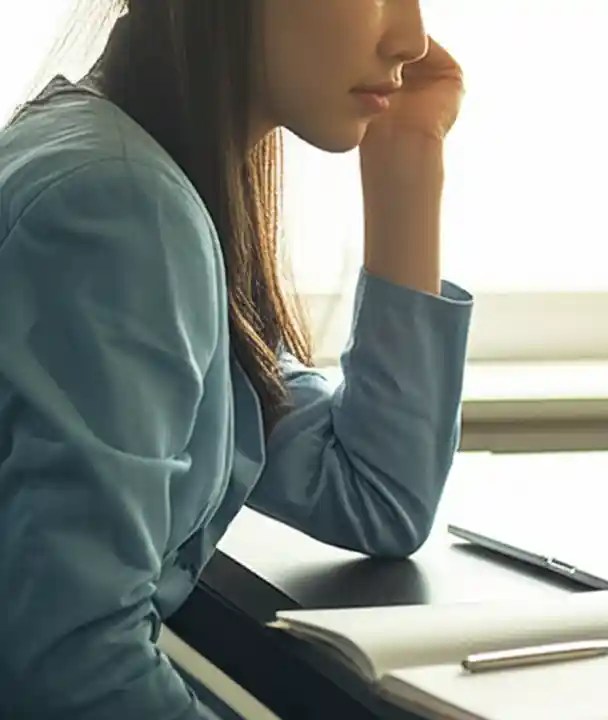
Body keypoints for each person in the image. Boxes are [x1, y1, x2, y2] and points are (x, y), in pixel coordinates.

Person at [0, 0, 471, 717]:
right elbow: (70, 666)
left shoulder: (138, 167)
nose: (410, 39)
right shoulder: (121, 207)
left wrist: (409, 151)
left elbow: (377, 493)